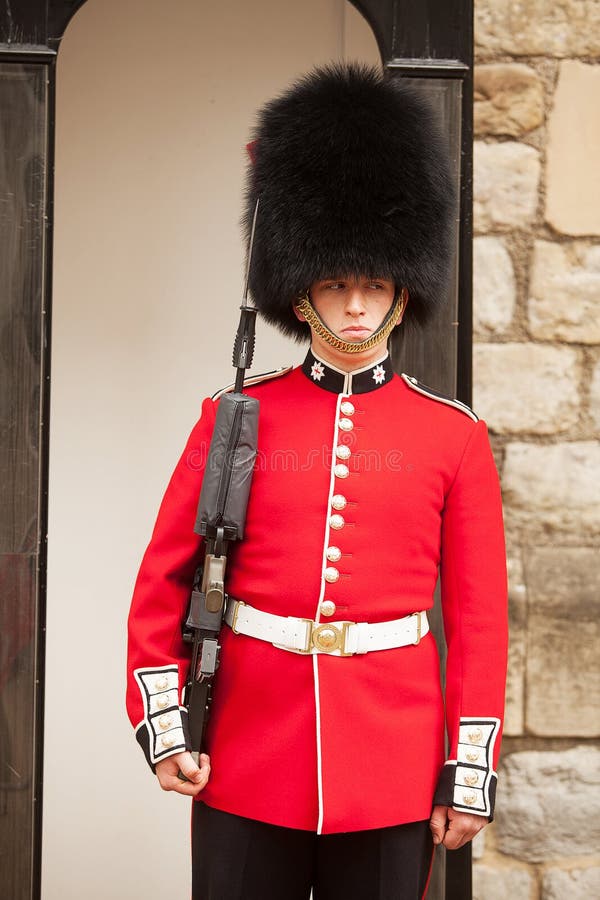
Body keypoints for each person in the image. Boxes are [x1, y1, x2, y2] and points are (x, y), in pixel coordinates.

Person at [126, 64, 508, 899]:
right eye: (337, 283)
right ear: (302, 294)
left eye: (374, 284)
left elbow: (478, 622)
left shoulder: (453, 436)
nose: (357, 306)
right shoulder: (235, 417)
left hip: (393, 770)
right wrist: (165, 726)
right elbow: (164, 582)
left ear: (402, 293)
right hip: (248, 756)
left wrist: (468, 767)